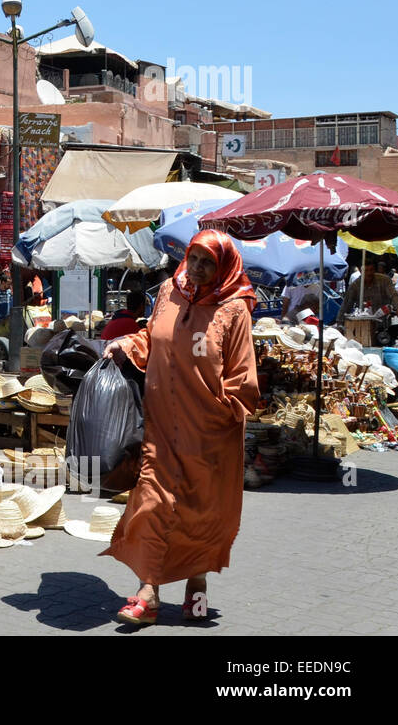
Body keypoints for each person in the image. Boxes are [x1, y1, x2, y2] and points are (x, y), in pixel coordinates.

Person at [101, 231, 259, 627]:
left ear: (223, 266)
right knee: (151, 504)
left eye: (208, 261)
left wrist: (222, 412)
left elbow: (243, 378)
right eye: (194, 258)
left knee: (199, 513)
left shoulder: (234, 308)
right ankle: (147, 592)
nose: (199, 268)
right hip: (160, 427)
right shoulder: (170, 290)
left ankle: (197, 587)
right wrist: (126, 345)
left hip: (208, 436)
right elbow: (151, 338)